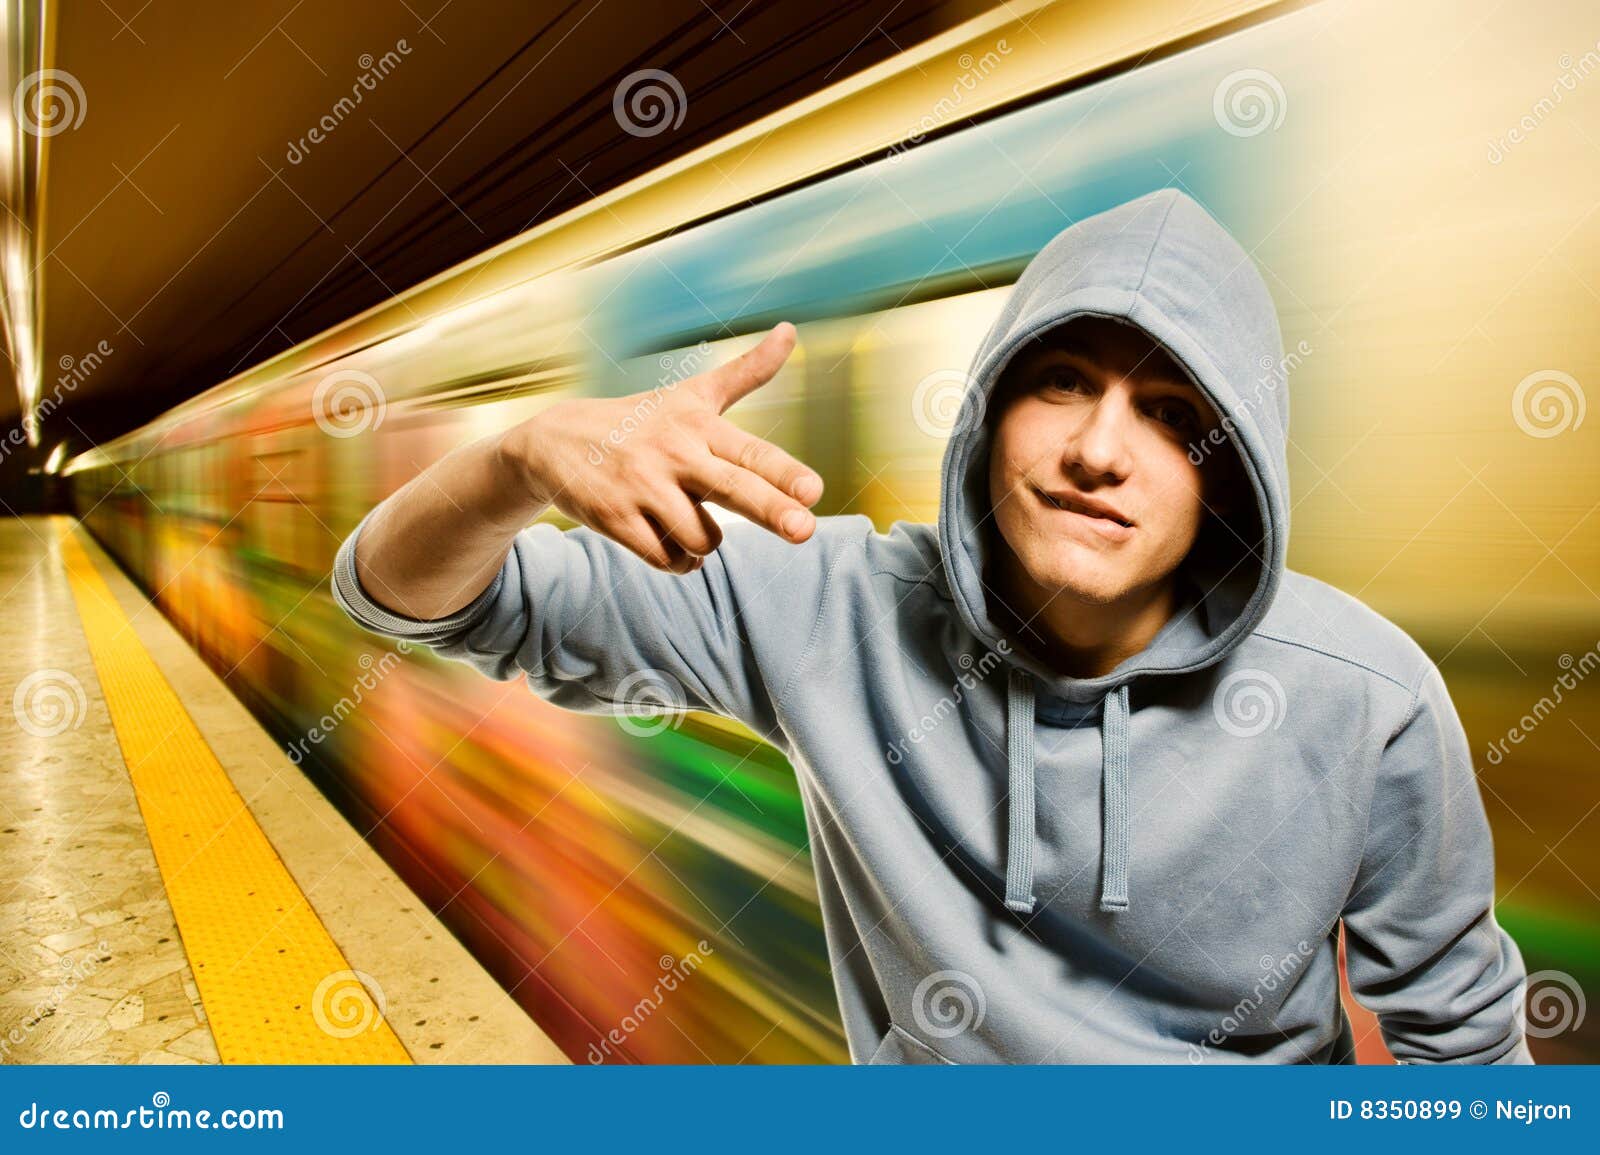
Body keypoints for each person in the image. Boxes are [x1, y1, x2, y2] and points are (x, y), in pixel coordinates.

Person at [331, 188, 1532, 1064]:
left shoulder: (1363, 698)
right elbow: (418, 599)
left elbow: (1462, 1051)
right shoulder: (820, 598)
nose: (1097, 451)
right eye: (1061, 381)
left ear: (1229, 474)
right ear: (990, 406)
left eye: (1172, 415)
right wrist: (512, 460)